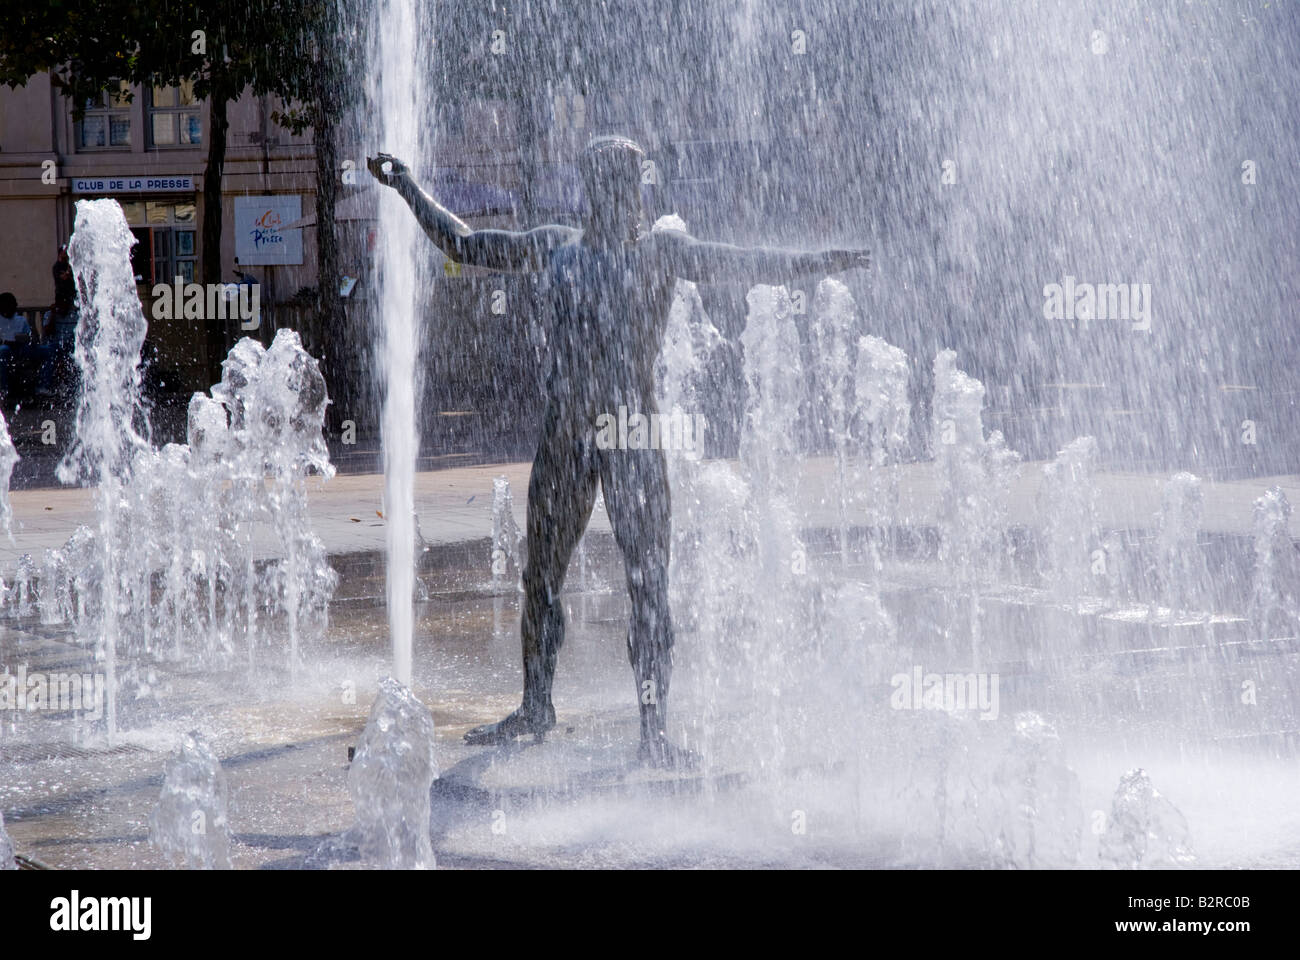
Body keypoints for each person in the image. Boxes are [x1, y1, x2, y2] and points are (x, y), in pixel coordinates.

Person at [369, 136, 869, 766]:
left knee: (648, 585)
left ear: (636, 186)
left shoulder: (660, 252)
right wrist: (407, 185)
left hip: (626, 434)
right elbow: (465, 246)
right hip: (570, 432)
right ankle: (539, 706)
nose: (622, 193)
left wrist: (812, 262)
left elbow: (745, 261)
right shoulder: (559, 247)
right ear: (596, 186)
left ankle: (652, 728)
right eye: (611, 180)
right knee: (542, 578)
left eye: (627, 180)